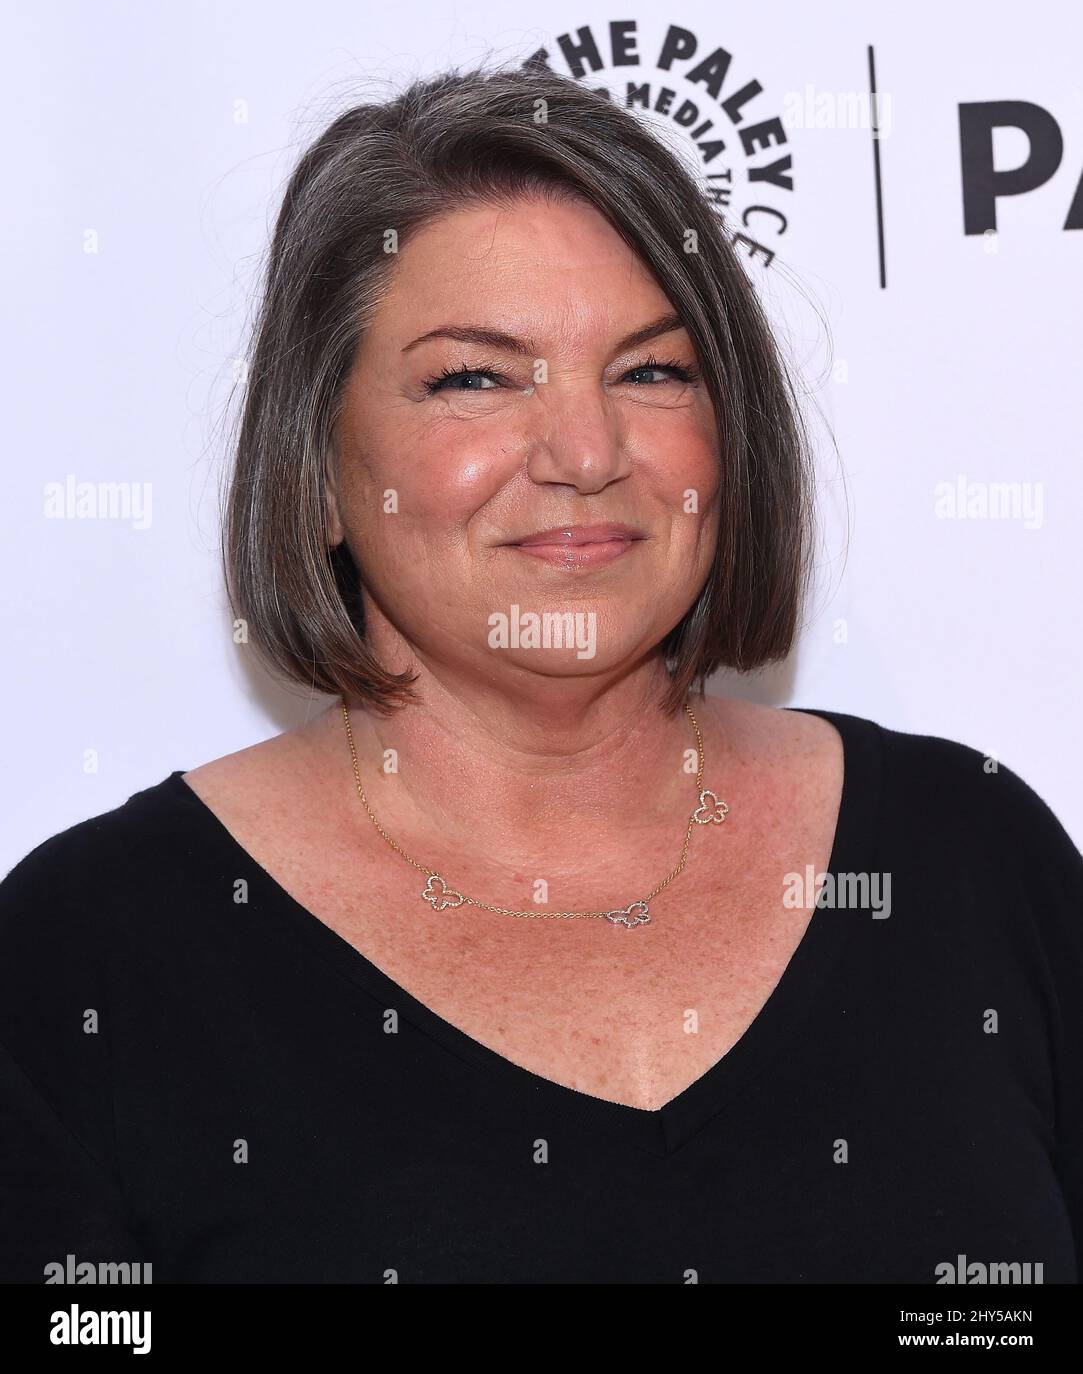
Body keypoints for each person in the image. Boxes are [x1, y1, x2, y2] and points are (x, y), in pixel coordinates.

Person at [1, 65, 1080, 1285]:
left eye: (652, 371)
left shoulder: (973, 854)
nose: (585, 452)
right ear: (317, 462)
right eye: (476, 377)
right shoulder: (88, 955)